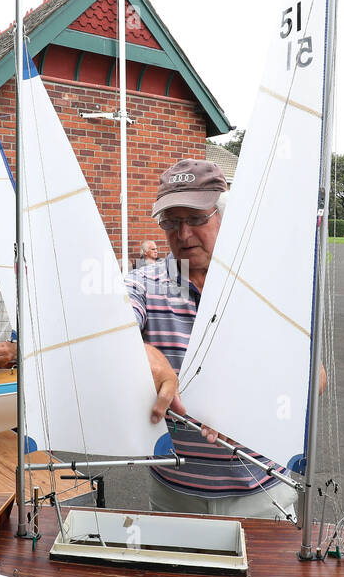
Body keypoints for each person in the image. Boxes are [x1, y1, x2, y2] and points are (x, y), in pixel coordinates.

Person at [123, 159, 312, 520]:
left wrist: (248, 402)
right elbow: (109, 328)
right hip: (173, 493)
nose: (182, 234)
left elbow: (315, 377)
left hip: (263, 491)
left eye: (196, 219)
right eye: (170, 222)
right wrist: (142, 353)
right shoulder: (142, 284)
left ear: (226, 217)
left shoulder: (266, 286)